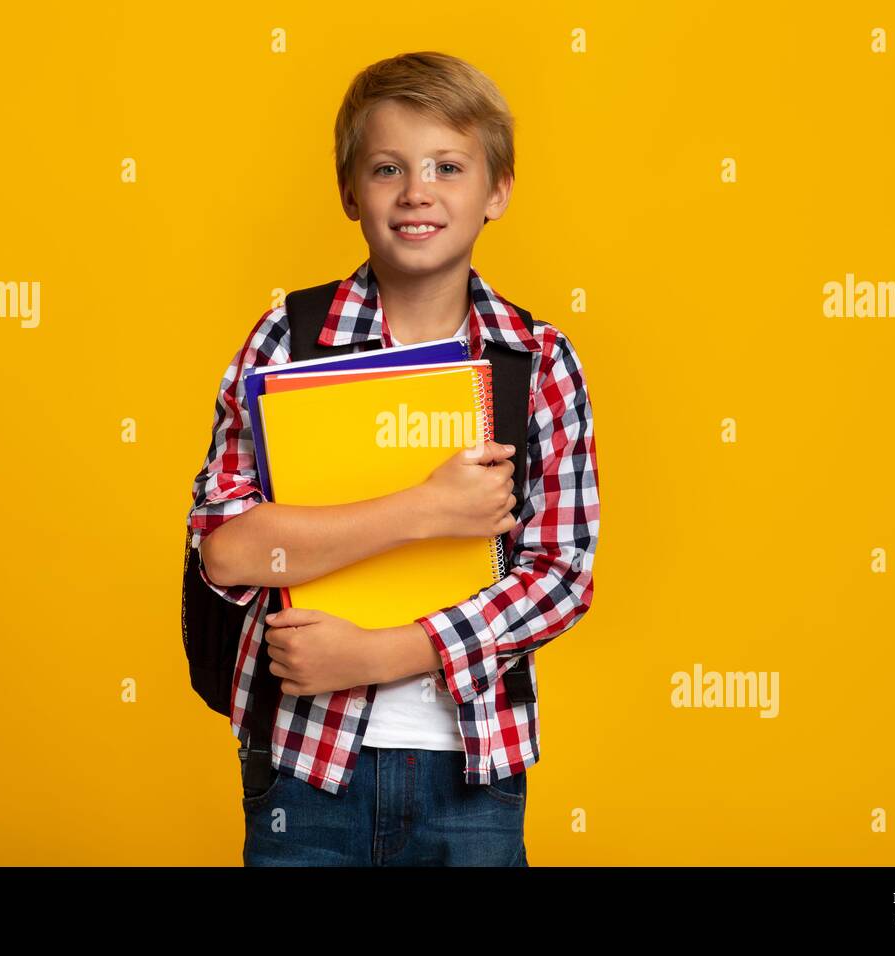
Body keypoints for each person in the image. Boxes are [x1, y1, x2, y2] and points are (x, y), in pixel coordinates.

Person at [187, 50, 600, 866]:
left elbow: (561, 576)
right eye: (387, 168)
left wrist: (379, 654)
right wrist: (426, 510)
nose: (417, 191)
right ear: (351, 193)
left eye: (448, 166)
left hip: (475, 771)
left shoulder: (536, 361)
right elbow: (228, 549)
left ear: (498, 191)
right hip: (304, 769)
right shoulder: (287, 342)